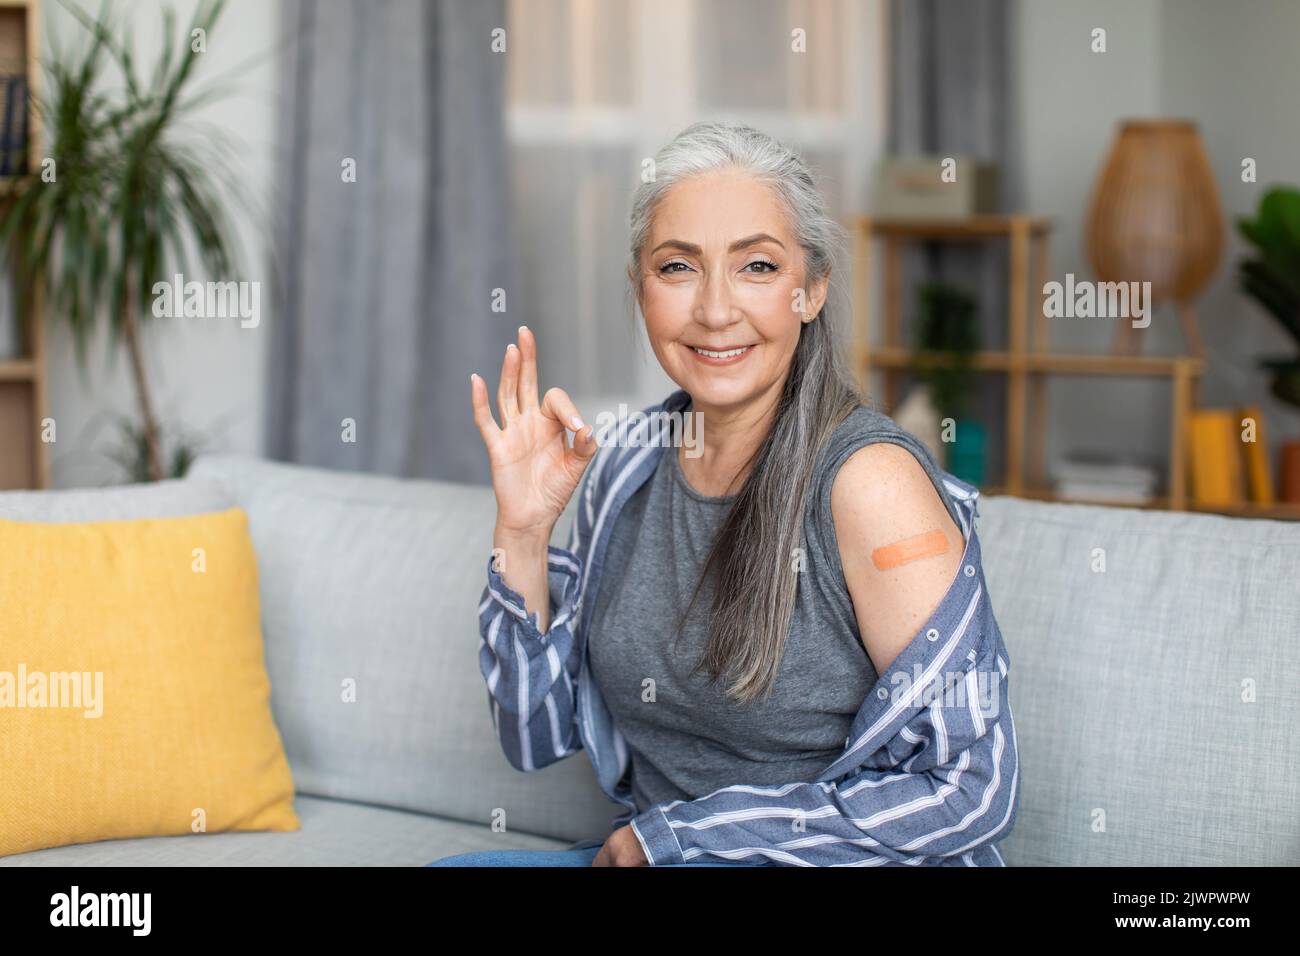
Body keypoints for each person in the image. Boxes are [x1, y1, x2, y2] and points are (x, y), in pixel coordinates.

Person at [436, 120, 1019, 867]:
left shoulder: (868, 481)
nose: (715, 310)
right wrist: (522, 532)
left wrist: (680, 838)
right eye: (678, 267)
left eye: (757, 267)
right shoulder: (627, 468)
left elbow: (974, 789)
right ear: (640, 289)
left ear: (811, 290)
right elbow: (532, 737)